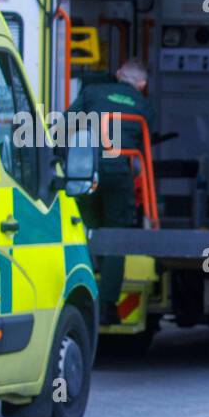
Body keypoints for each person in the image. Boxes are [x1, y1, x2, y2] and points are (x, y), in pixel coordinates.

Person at [68, 59, 157, 326]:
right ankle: (107, 306)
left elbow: (65, 124)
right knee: (115, 237)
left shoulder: (92, 93)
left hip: (86, 170)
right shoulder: (144, 107)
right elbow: (142, 151)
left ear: (118, 74)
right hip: (119, 173)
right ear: (143, 85)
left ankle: (82, 293)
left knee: (86, 229)